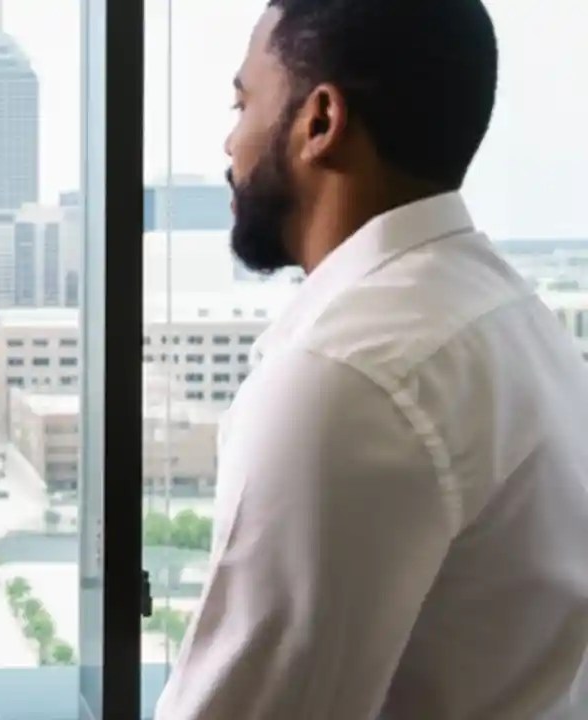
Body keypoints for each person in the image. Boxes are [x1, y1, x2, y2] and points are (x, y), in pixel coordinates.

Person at [155, 1, 588, 718]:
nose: (230, 142)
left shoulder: (350, 374)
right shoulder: (519, 322)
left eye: (242, 103)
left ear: (319, 121)